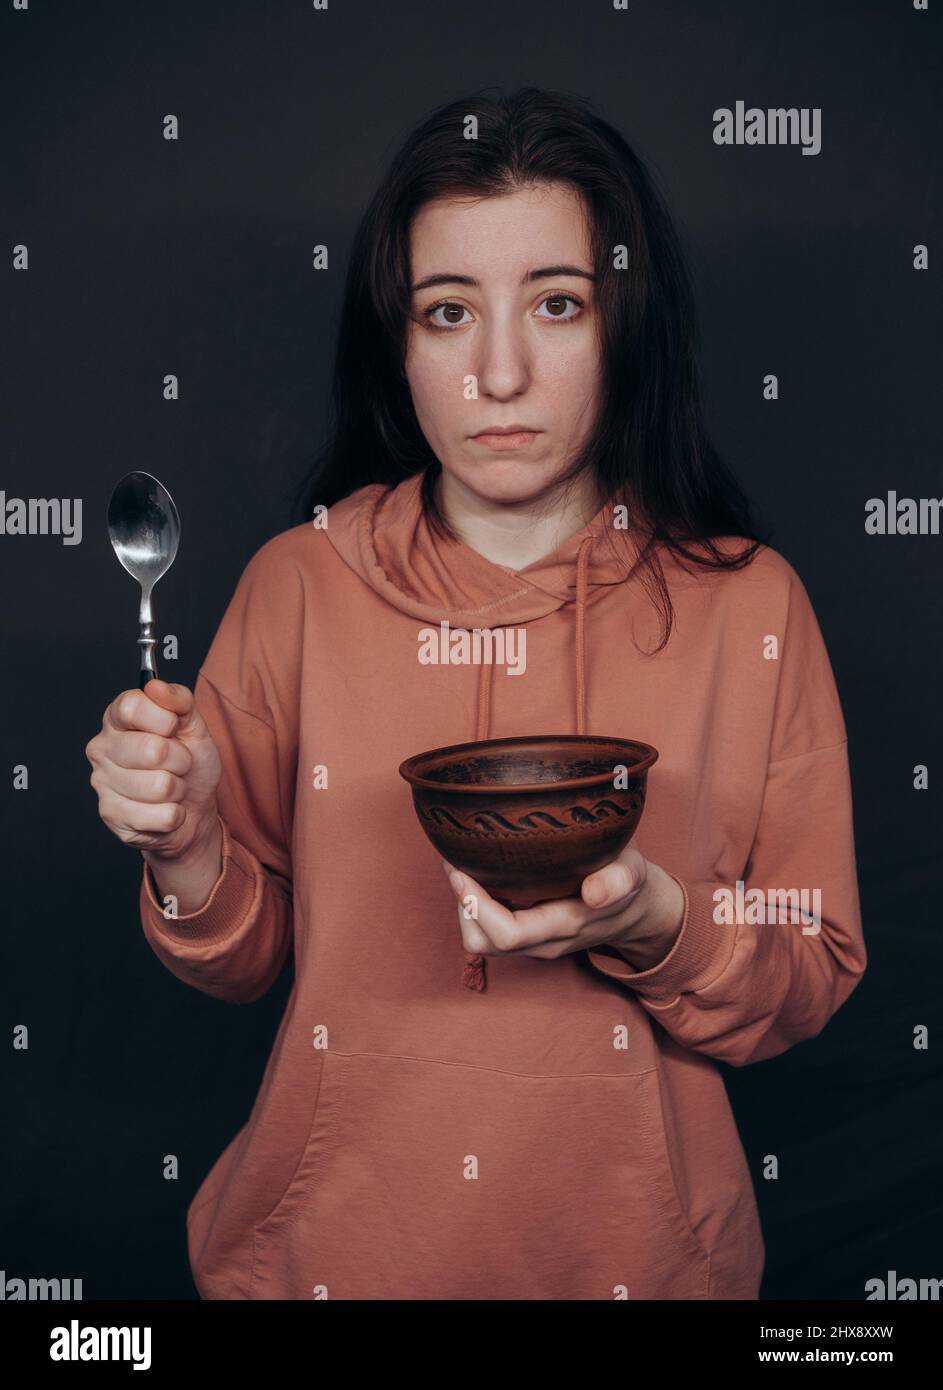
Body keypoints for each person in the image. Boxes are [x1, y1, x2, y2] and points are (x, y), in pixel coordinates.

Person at [85, 87, 867, 1300]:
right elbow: (242, 958)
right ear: (397, 347)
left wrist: (657, 922)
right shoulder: (297, 584)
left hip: (649, 1272)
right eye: (448, 314)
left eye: (557, 305)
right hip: (324, 1266)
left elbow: (811, 966)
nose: (499, 372)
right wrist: (185, 850)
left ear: (629, 324)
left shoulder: (752, 606)